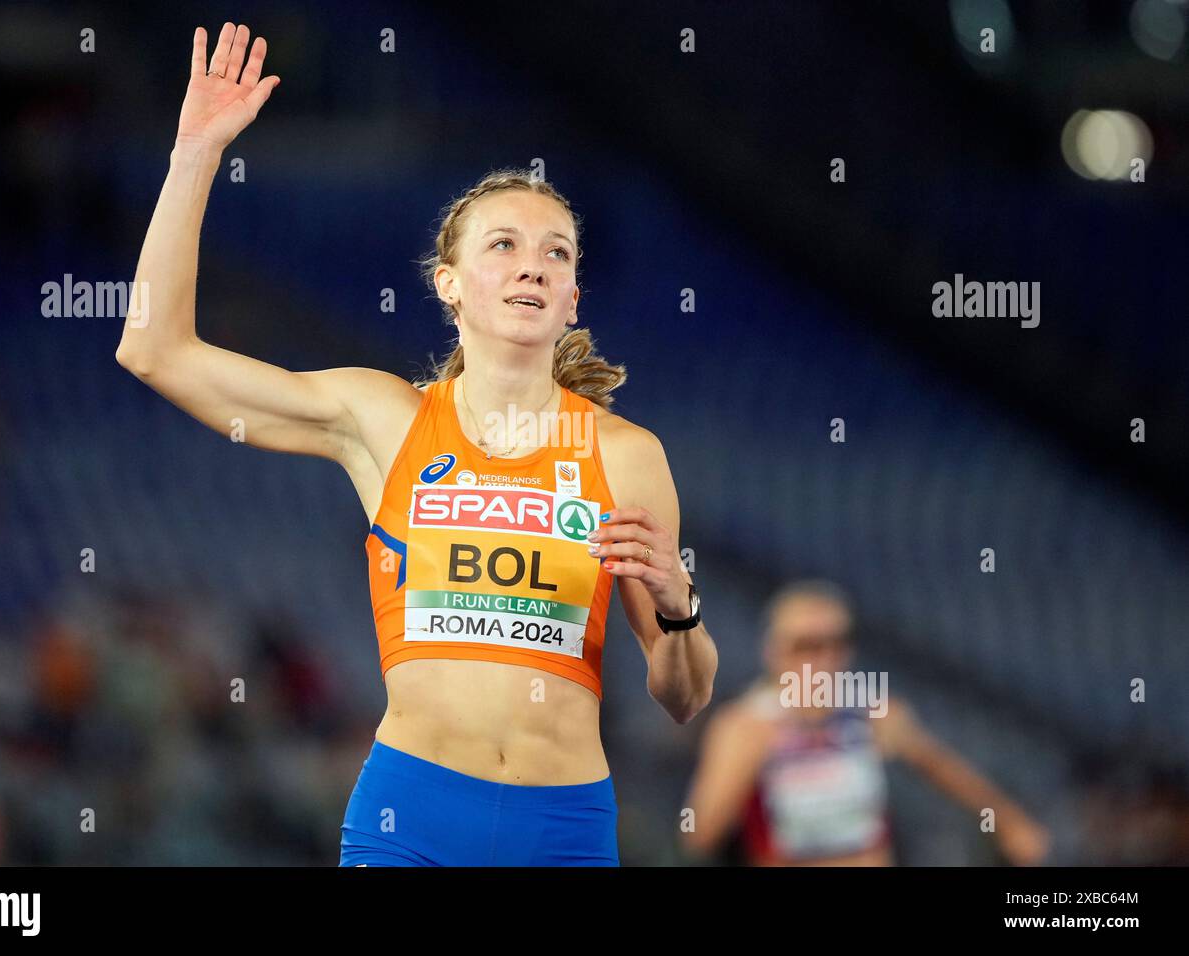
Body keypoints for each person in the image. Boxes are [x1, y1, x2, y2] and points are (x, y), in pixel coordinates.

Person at [115, 22, 718, 866]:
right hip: (414, 817)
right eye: (503, 245)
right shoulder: (383, 418)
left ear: (574, 294)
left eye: (556, 252)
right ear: (449, 285)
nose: (532, 265)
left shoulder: (625, 456)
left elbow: (685, 696)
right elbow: (155, 350)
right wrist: (194, 156)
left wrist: (679, 605)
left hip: (564, 826)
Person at [679, 580, 1050, 866]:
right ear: (774, 650)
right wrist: (746, 766)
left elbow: (945, 769)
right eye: (805, 645)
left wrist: (1007, 820)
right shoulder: (745, 723)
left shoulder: (870, 710)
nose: (821, 660)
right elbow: (698, 835)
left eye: (834, 643)